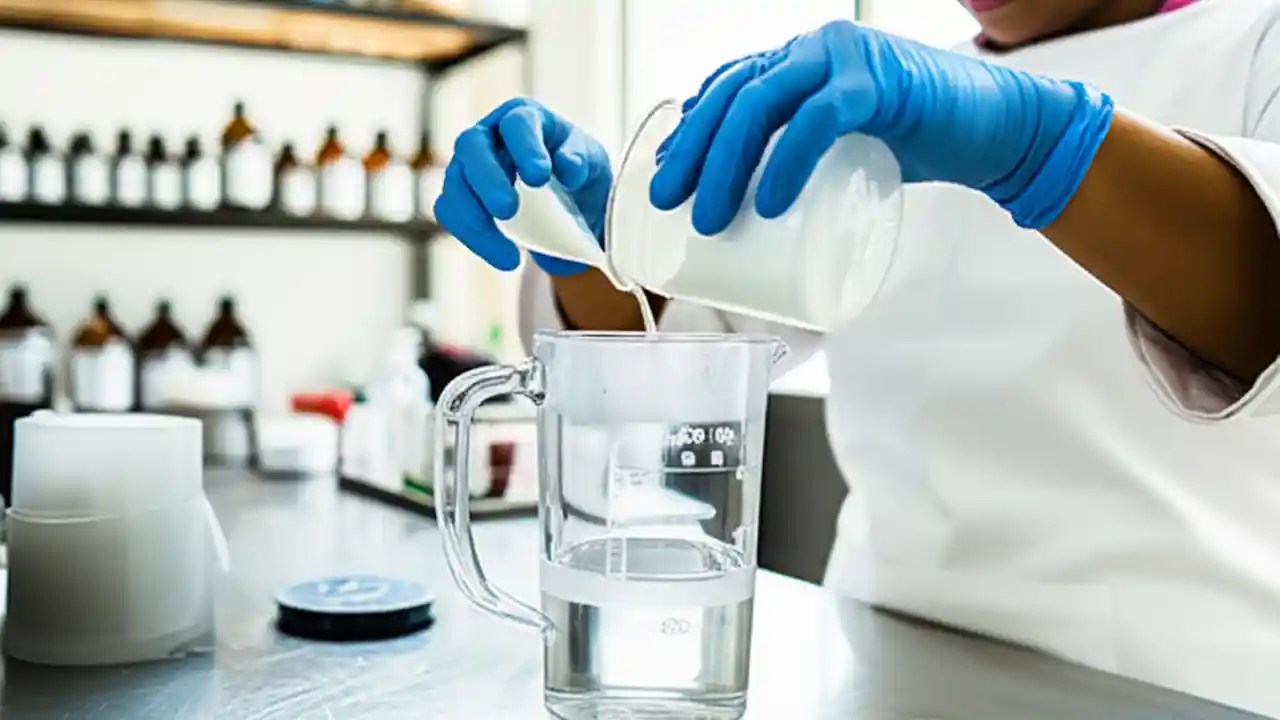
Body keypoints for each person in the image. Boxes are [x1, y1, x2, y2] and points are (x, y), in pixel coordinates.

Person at [435, 0, 1280, 714]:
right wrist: (590, 236)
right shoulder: (874, 112)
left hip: (1176, 687)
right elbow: (671, 360)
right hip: (874, 668)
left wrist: (1038, 142)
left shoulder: (1254, 45)